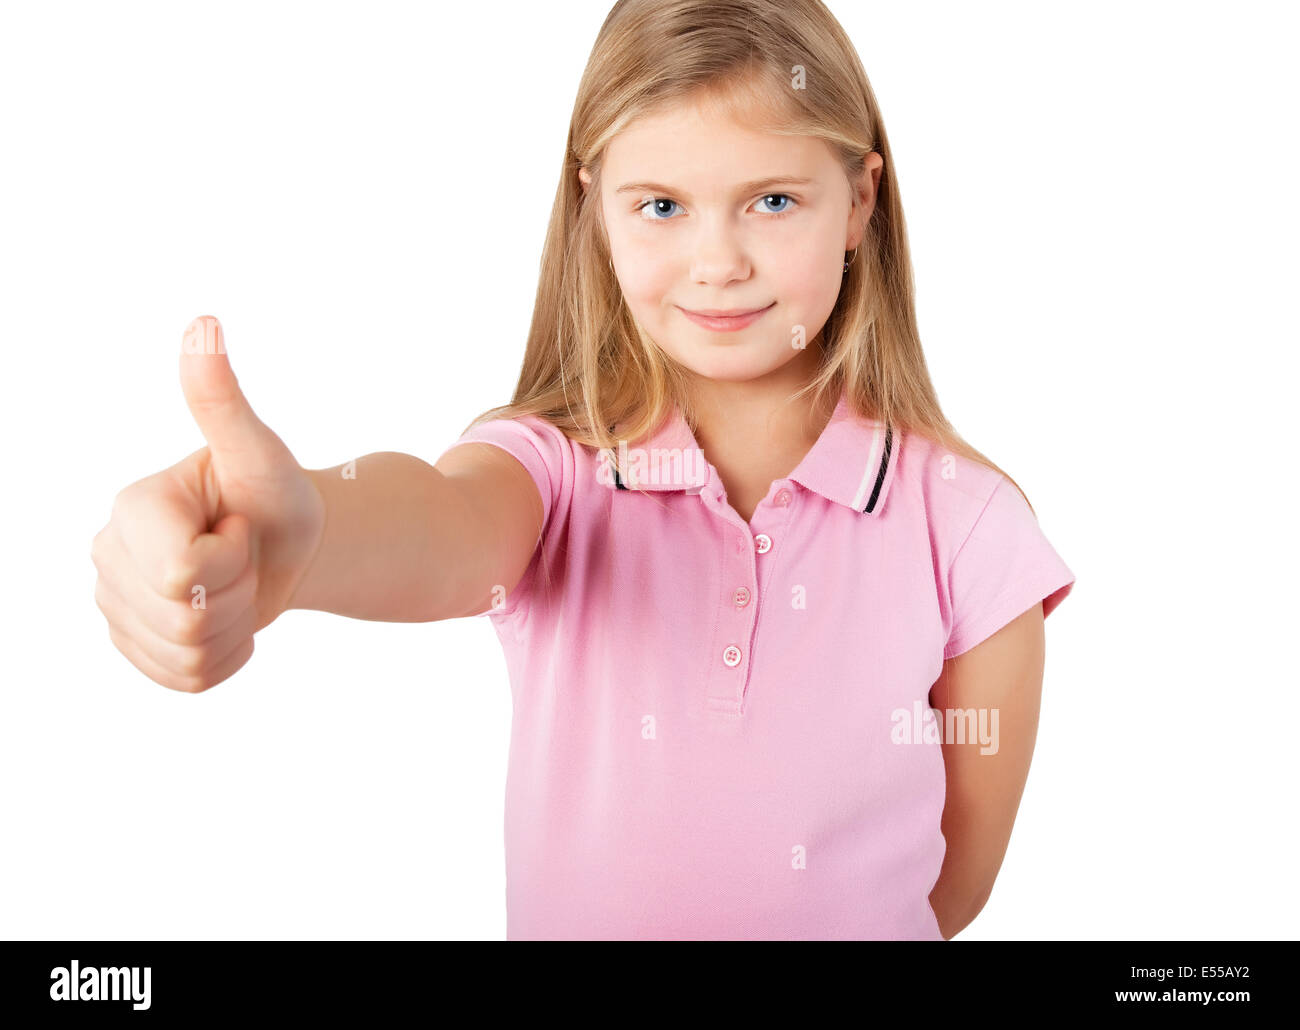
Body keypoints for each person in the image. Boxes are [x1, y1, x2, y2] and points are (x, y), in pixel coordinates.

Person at [91, 0, 1074, 940]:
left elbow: (951, 883)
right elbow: (439, 523)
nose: (716, 260)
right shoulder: (554, 472)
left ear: (859, 201)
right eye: (661, 206)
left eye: (772, 201)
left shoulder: (971, 531)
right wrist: (301, 538)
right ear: (593, 206)